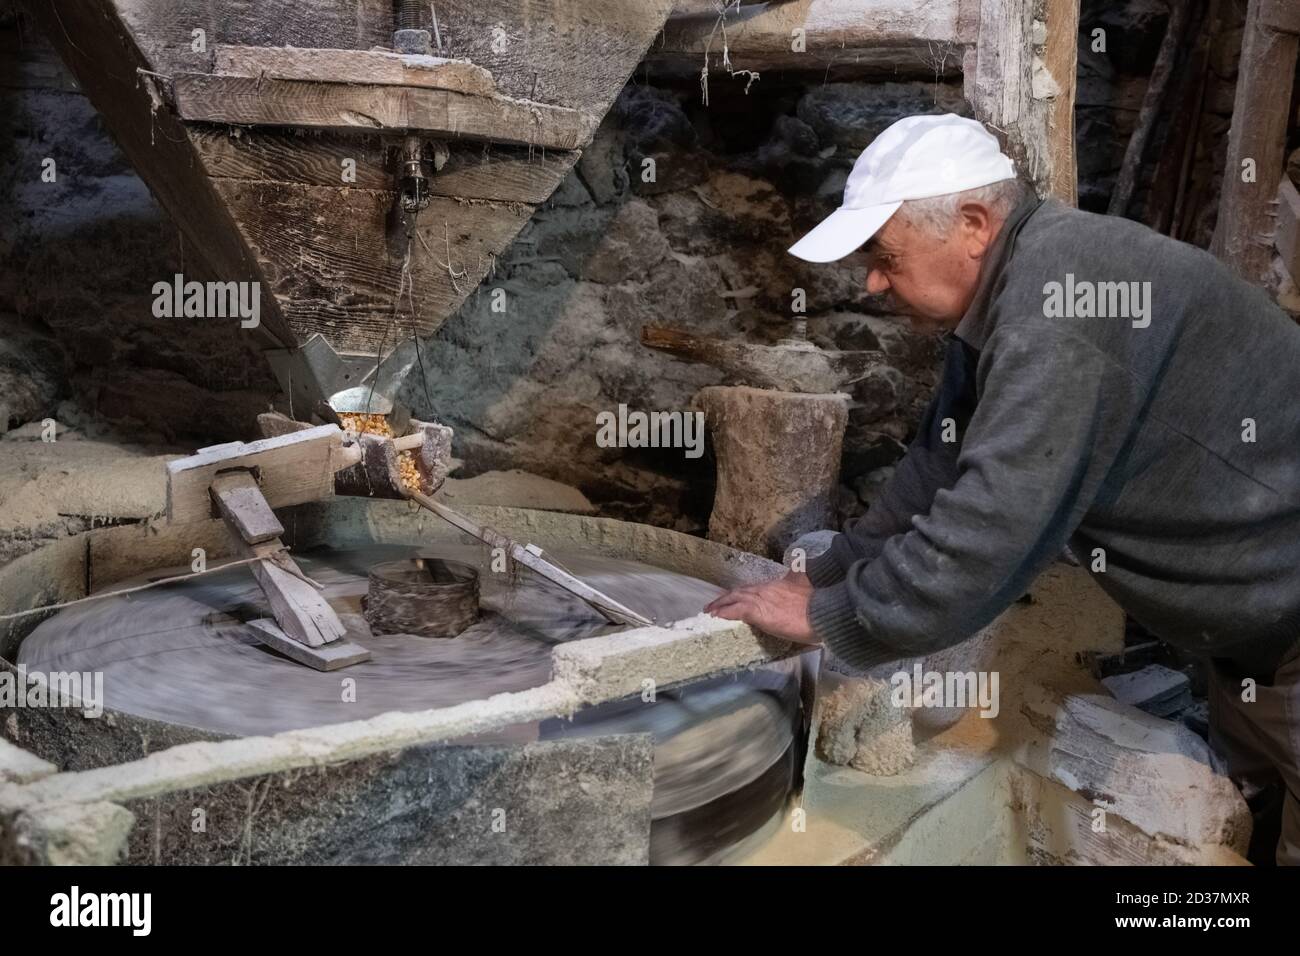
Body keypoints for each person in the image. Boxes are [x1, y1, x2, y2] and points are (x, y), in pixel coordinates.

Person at [704, 112, 1300, 863]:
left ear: (974, 223)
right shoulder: (1012, 291)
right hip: (1249, 630)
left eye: (886, 256)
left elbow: (992, 532)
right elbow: (940, 466)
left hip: (1287, 600)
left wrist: (834, 615)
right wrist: (832, 566)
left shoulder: (1060, 307)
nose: (873, 280)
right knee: (1241, 821)